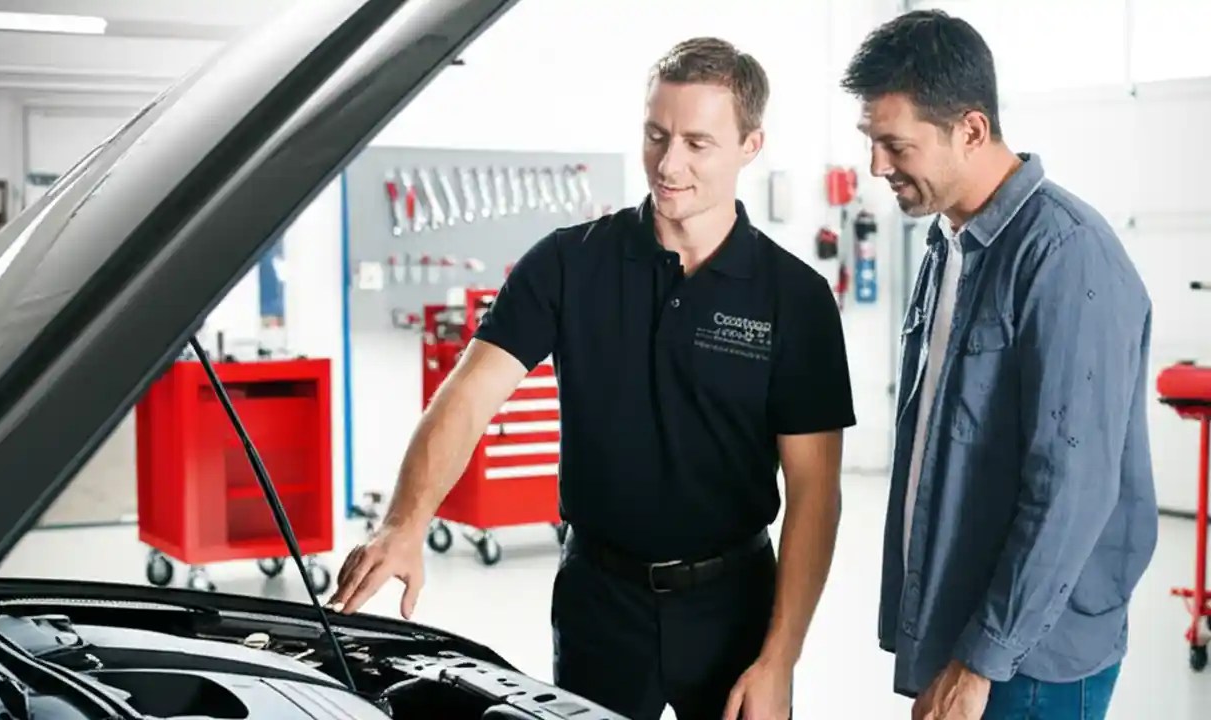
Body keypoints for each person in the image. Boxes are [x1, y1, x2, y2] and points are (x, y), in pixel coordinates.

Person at [328, 37, 856, 720]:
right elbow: (468, 396)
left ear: (750, 145)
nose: (669, 164)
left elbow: (815, 490)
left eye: (698, 143)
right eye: (655, 135)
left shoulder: (796, 298)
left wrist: (780, 658)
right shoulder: (567, 265)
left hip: (735, 604)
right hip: (598, 601)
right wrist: (405, 521)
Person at [840, 10, 1156, 720]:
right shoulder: (949, 245)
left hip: (1030, 658)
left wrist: (981, 662)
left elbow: (1070, 491)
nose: (877, 167)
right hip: (962, 626)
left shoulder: (1066, 257)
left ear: (972, 130)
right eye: (870, 142)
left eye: (894, 144)